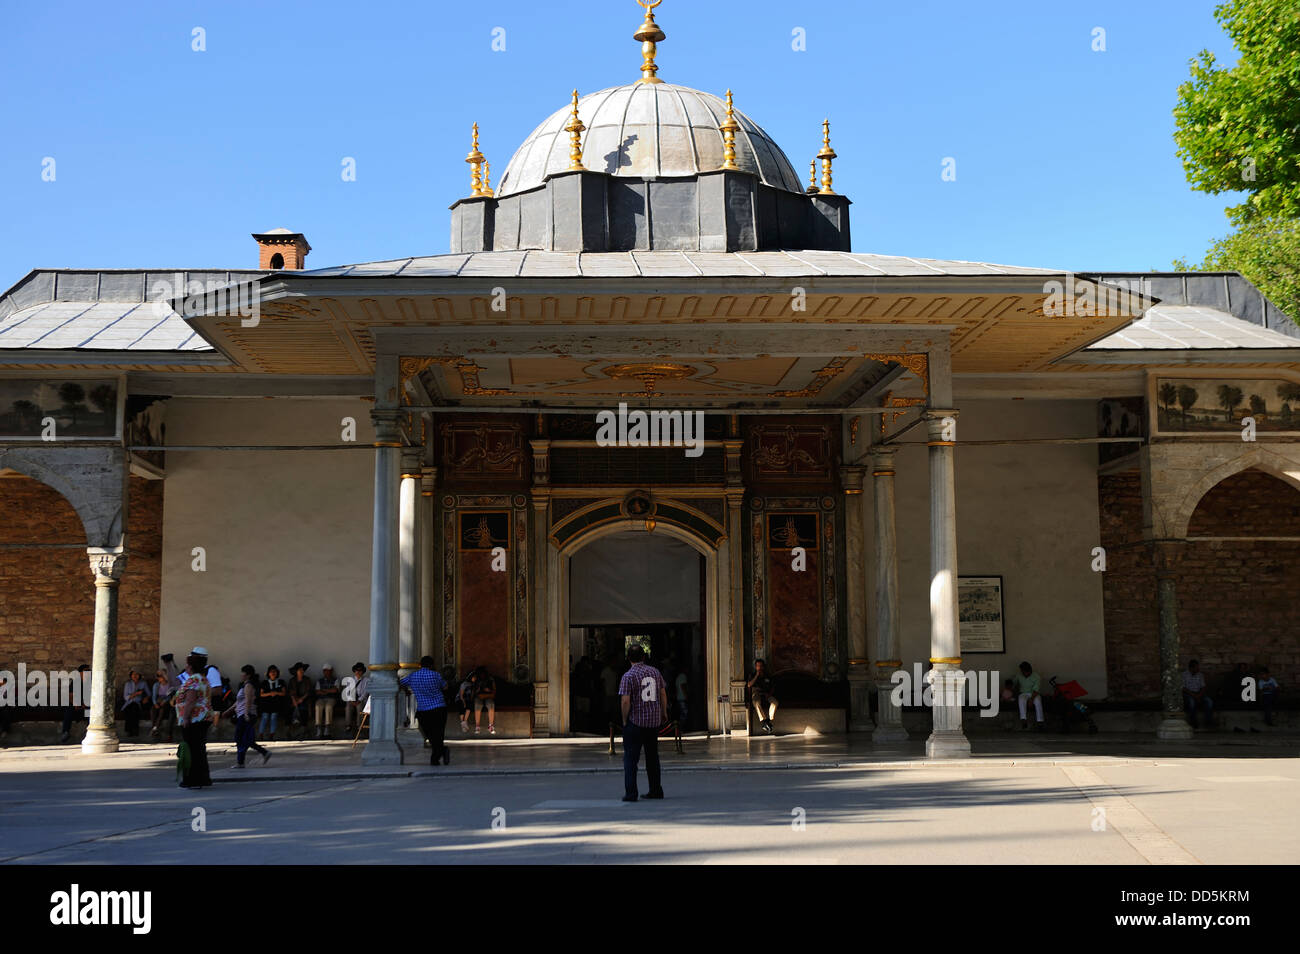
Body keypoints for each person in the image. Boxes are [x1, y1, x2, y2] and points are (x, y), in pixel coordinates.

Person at [618, 645, 667, 802]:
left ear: (628, 658)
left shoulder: (628, 676)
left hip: (635, 722)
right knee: (652, 757)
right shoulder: (655, 672)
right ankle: (655, 789)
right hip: (653, 722)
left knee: (631, 759)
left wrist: (625, 719)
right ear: (644, 656)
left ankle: (631, 793)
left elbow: (625, 701)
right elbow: (662, 693)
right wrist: (663, 712)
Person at [399, 656, 451, 766]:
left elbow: (401, 683)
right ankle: (438, 754)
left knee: (429, 734)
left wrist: (406, 691)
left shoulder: (413, 676)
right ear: (432, 665)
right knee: (438, 733)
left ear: (420, 665)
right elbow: (445, 687)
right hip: (439, 708)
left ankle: (437, 755)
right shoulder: (436, 675)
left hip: (423, 710)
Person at [175, 652, 216, 789]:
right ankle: (203, 777)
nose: (186, 667)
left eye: (187, 664)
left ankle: (192, 779)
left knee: (191, 750)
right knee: (199, 749)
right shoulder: (203, 678)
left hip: (194, 719)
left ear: (191, 666)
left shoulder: (193, 680)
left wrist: (186, 717)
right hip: (204, 717)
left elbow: (191, 699)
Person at [231, 665, 271, 768]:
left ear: (248, 675)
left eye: (243, 673)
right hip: (242, 713)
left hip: (246, 714)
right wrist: (228, 711)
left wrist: (246, 713)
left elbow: (248, 700)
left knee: (240, 738)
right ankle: (263, 752)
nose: (241, 675)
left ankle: (241, 762)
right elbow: (238, 702)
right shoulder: (243, 685)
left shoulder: (248, 685)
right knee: (245, 739)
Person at [59, 664, 91, 744]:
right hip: (76, 708)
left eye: (89, 671)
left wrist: (85, 705)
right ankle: (66, 732)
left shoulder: (91, 683)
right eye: (86, 671)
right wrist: (76, 704)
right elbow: (70, 696)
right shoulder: (75, 682)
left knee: (91, 713)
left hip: (86, 708)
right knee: (68, 710)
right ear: (80, 673)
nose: (88, 673)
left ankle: (90, 733)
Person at [747, 659, 779, 734]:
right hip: (756, 693)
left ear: (763, 667)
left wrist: (769, 694)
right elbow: (749, 685)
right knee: (757, 703)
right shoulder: (752, 675)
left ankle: (768, 721)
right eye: (758, 666)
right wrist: (756, 676)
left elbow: (772, 687)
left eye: (761, 666)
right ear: (755, 667)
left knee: (775, 702)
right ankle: (764, 721)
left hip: (766, 693)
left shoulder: (767, 675)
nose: (760, 668)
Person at [1014, 661, 1045, 730]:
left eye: (1024, 672)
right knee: (1021, 699)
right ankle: (1023, 720)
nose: (1023, 673)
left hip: (1034, 693)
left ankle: (1040, 721)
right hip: (1023, 693)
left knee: (1038, 701)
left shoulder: (1036, 676)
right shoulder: (1019, 675)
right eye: (1022, 671)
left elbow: (1036, 690)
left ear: (1029, 671)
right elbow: (1013, 684)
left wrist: (1031, 699)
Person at [1183, 659, 1213, 729]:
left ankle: (1208, 722)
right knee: (1191, 702)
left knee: (1209, 701)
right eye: (1196, 667)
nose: (1198, 669)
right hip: (1188, 694)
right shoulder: (1184, 675)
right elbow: (1183, 688)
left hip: (1198, 693)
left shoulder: (1200, 675)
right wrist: (1194, 696)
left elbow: (1203, 687)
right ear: (1191, 668)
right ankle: (1193, 722)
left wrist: (1199, 695)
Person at [288, 662, 313, 740]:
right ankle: (290, 731)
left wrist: (301, 699)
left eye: (302, 670)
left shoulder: (307, 680)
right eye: (299, 670)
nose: (301, 671)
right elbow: (291, 692)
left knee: (303, 709)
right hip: (294, 700)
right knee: (289, 710)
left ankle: (303, 730)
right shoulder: (292, 680)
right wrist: (294, 700)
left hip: (305, 700)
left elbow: (309, 692)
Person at [315, 665, 341, 739]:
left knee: (328, 706)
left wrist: (324, 691)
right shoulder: (319, 681)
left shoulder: (336, 680)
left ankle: (327, 728)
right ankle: (318, 728)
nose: (327, 672)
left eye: (328, 670)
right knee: (318, 706)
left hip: (331, 698)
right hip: (321, 699)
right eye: (325, 670)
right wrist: (329, 691)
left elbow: (335, 690)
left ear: (331, 671)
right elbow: (317, 691)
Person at [122, 669, 149, 738]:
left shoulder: (143, 683)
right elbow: (126, 697)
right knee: (128, 710)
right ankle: (129, 731)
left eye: (137, 674)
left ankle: (134, 730)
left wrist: (146, 698)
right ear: (131, 676)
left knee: (134, 709)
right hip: (129, 703)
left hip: (138, 703)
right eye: (133, 674)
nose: (135, 676)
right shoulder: (128, 684)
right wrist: (136, 694)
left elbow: (149, 693)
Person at [150, 668, 176, 742]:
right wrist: (155, 703)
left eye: (160, 675)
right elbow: (154, 696)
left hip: (166, 701)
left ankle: (155, 728)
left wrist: (164, 701)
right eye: (157, 676)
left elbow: (170, 695)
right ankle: (154, 728)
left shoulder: (169, 685)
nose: (158, 677)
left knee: (162, 709)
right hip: (158, 700)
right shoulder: (156, 685)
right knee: (153, 709)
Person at [342, 663, 369, 733]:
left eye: (360, 670)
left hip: (361, 700)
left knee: (359, 707)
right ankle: (348, 725)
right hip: (352, 699)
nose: (358, 672)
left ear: (363, 671)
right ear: (354, 671)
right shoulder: (350, 680)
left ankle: (359, 726)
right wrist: (351, 701)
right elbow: (347, 692)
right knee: (348, 707)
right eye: (356, 670)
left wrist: (359, 700)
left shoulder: (366, 680)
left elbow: (365, 693)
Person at [601, 656, 623, 729]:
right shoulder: (605, 671)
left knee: (614, 712)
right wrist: (603, 693)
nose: (615, 663)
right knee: (607, 712)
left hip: (614, 694)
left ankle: (613, 728)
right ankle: (606, 727)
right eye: (614, 662)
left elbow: (617, 682)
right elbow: (602, 682)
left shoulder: (615, 671)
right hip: (607, 694)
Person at [473, 667, 497, 735]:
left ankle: (491, 726)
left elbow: (494, 691)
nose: (482, 675)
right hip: (479, 696)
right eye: (481, 674)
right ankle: (477, 726)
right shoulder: (476, 679)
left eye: (483, 674)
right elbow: (473, 691)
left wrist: (489, 690)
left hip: (488, 696)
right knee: (477, 705)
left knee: (491, 704)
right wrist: (477, 689)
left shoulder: (491, 679)